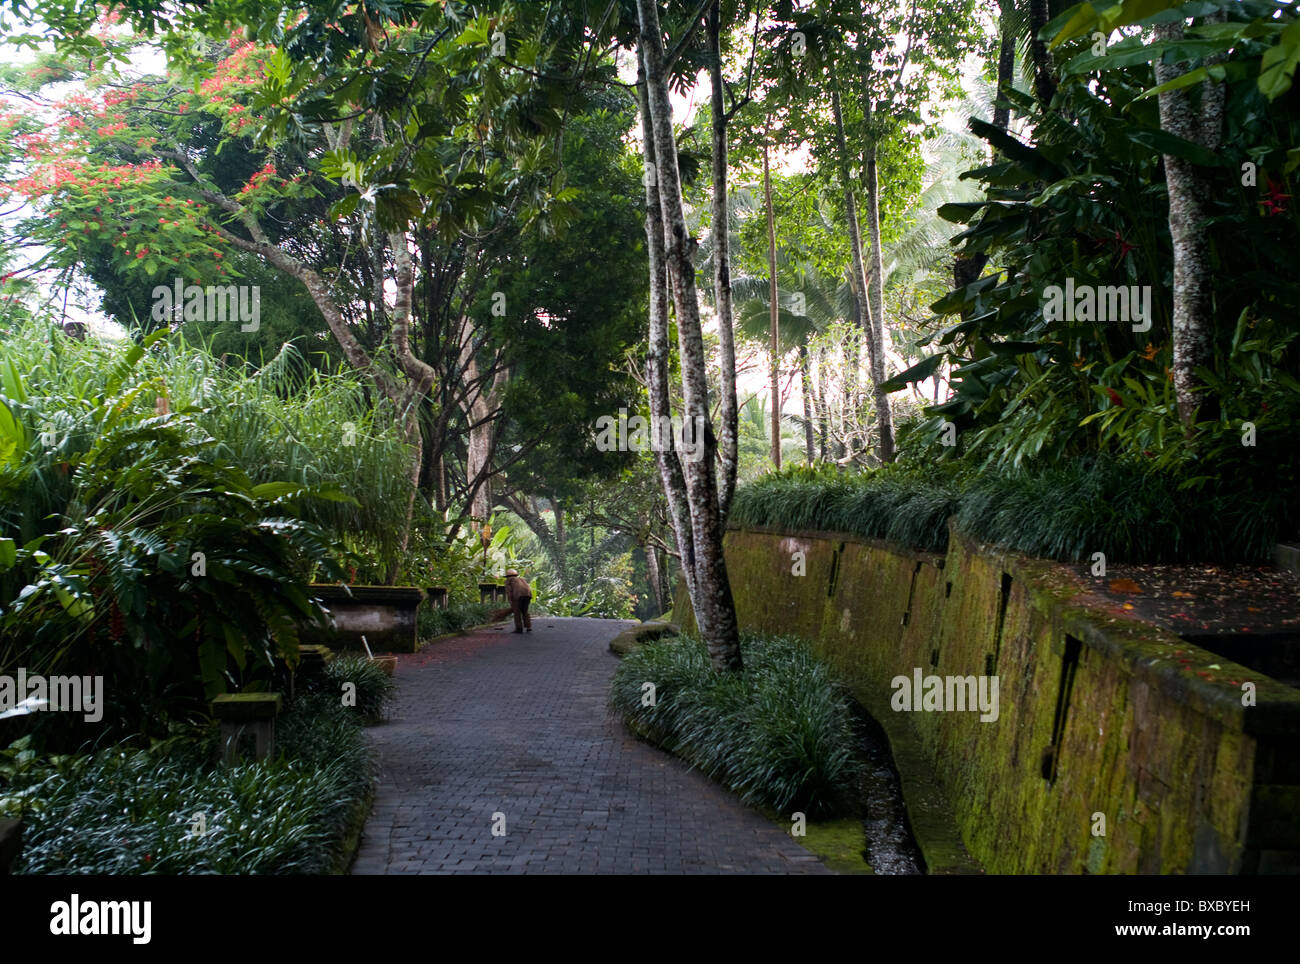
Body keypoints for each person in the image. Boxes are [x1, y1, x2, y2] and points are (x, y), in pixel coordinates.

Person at [505, 568, 532, 634]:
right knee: (525, 611)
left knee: (517, 612)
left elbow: (509, 591)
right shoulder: (522, 579)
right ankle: (528, 627)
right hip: (528, 595)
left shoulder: (508, 580)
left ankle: (519, 628)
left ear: (507, 576)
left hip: (518, 596)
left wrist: (510, 601)